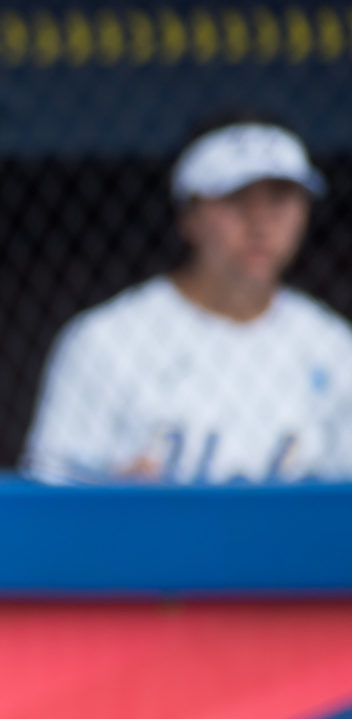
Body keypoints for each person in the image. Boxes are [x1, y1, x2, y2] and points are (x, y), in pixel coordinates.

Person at [25, 115, 352, 484]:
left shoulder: (335, 346)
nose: (261, 223)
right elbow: (50, 496)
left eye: (279, 200)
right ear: (189, 216)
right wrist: (109, 502)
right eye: (235, 199)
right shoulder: (105, 340)